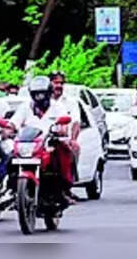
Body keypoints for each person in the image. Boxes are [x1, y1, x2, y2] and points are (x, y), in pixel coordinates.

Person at [7, 76, 72, 205]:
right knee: (9, 159)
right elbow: (14, 122)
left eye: (42, 94)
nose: (39, 97)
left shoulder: (57, 107)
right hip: (29, 144)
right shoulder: (26, 107)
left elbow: (64, 123)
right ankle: (11, 189)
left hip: (49, 143)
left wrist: (61, 130)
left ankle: (64, 189)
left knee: (64, 154)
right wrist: (9, 128)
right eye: (36, 94)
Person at [48, 71, 81, 202]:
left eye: (61, 83)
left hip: (62, 139)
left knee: (72, 149)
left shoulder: (70, 102)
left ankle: (66, 187)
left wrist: (73, 139)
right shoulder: (39, 101)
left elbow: (75, 122)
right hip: (41, 140)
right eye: (56, 82)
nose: (59, 86)